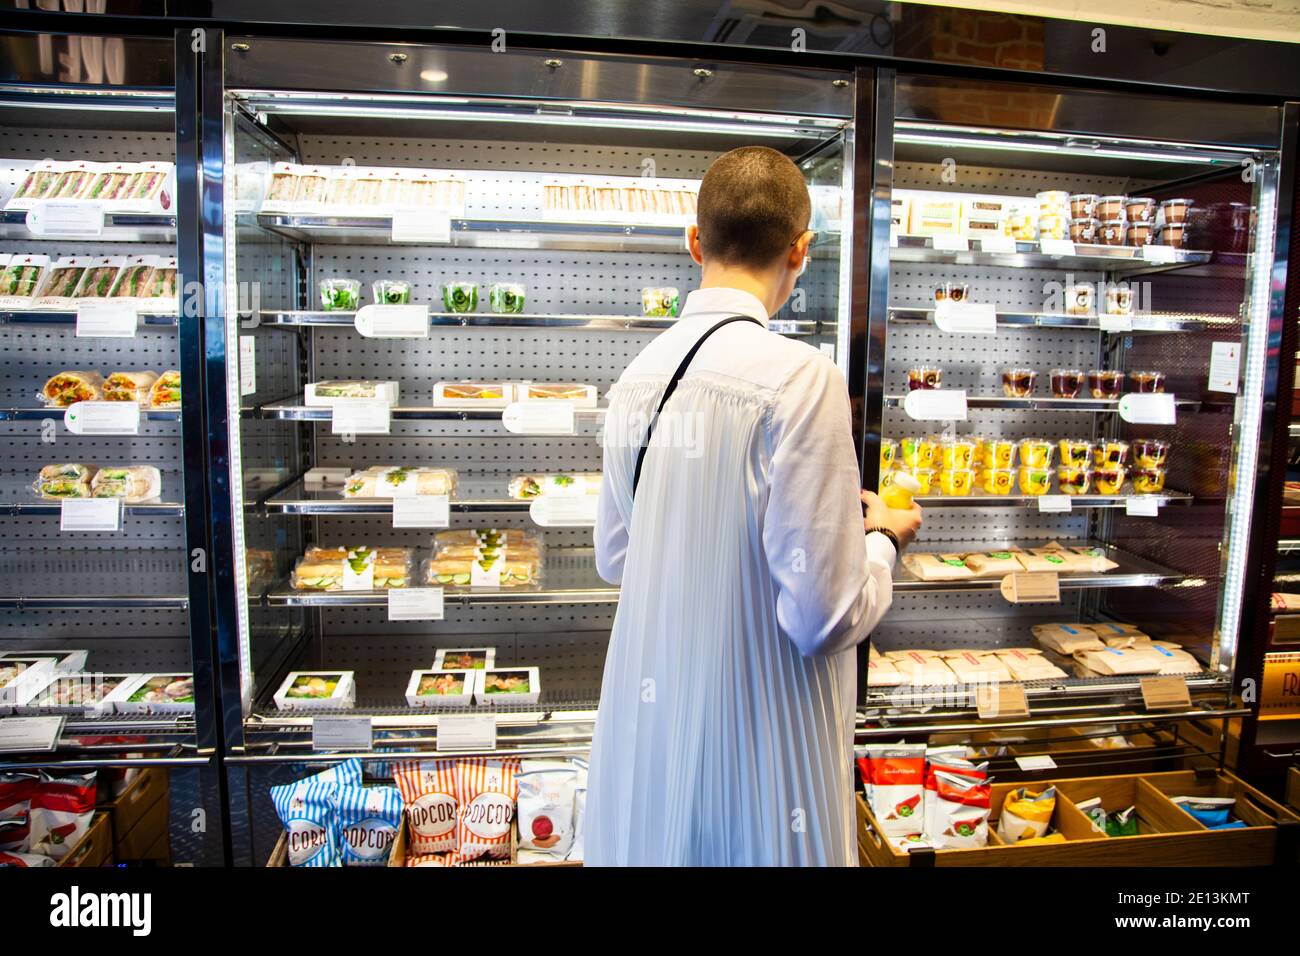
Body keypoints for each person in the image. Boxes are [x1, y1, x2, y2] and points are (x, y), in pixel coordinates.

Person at [586, 146, 922, 866]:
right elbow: (821, 617)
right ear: (801, 249)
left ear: (695, 242)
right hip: (766, 760)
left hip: (652, 740)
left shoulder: (637, 377)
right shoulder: (802, 378)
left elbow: (618, 559)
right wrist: (884, 541)